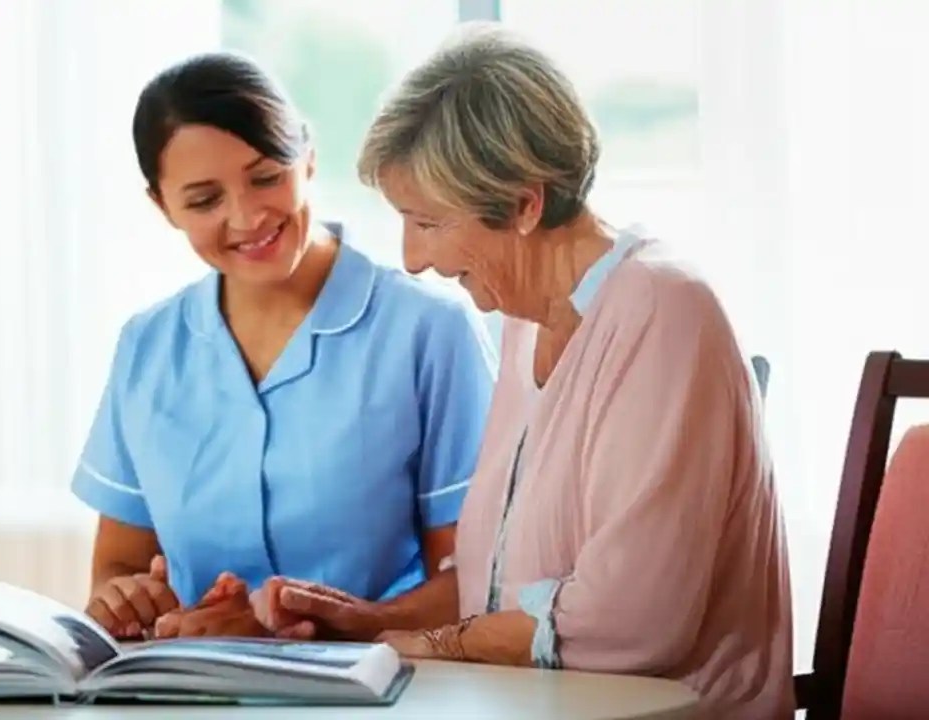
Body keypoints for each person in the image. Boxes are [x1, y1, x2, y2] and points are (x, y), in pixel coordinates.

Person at [252, 25, 794, 718]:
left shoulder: (663, 306)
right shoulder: (521, 321)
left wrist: (431, 644)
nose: (412, 258)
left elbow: (632, 621)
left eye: (427, 222)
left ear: (523, 205)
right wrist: (365, 621)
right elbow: (504, 582)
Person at [71, 52, 496, 641]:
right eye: (203, 200)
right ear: (162, 205)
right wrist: (125, 601)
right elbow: (117, 567)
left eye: (266, 176)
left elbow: (477, 583)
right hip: (192, 692)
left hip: (382, 691)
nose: (247, 216)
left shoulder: (429, 333)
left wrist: (336, 624)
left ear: (309, 157)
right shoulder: (147, 347)